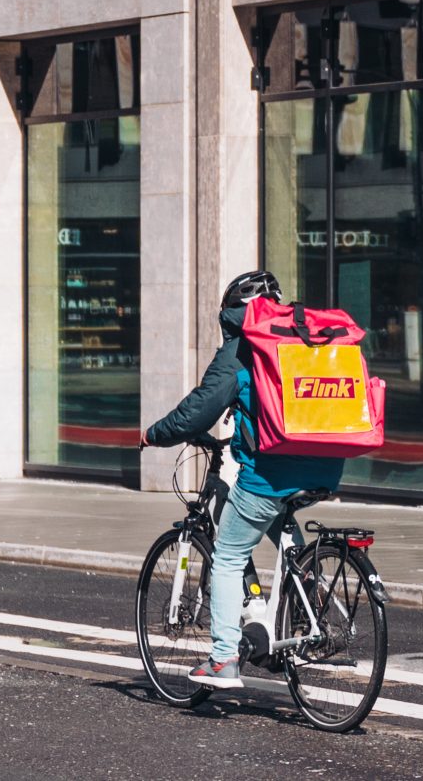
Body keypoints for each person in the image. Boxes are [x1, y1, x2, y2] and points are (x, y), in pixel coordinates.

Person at [139, 270, 344, 689]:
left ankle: (223, 660)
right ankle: (307, 597)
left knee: (229, 555)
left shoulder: (242, 350)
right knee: (279, 518)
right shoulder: (305, 340)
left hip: (272, 469)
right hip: (328, 463)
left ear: (232, 313)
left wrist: (153, 434)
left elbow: (198, 411)